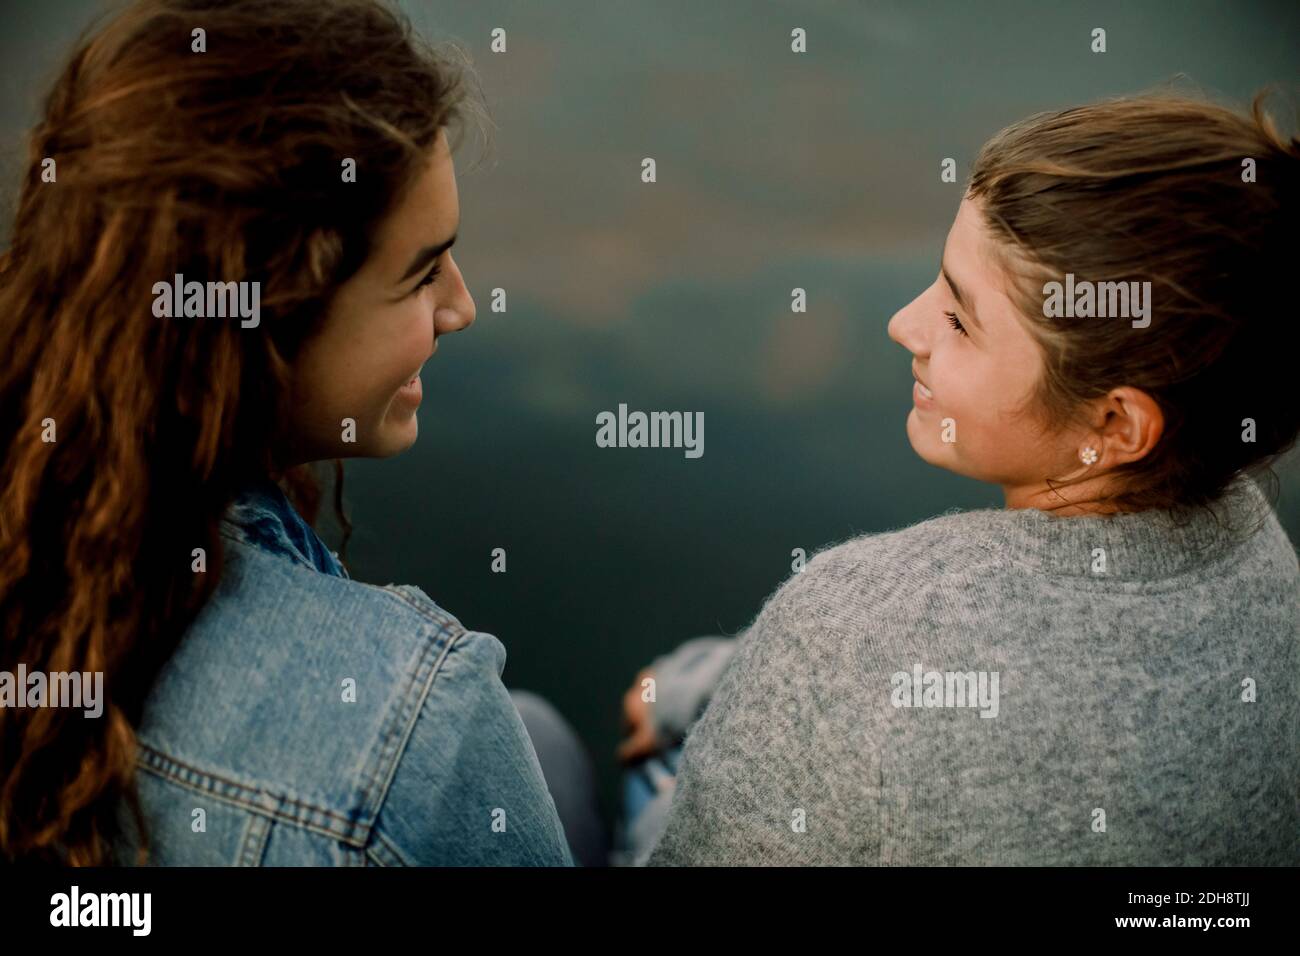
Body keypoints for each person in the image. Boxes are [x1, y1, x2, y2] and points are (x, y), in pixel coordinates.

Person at [625, 89, 1300, 865]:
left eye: (959, 318)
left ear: (1114, 426)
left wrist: (739, 682)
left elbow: (868, 661)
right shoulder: (1264, 556)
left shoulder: (852, 622)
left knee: (546, 735)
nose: (905, 324)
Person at [0, 0, 576, 866]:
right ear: (265, 320)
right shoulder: (422, 726)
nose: (460, 307)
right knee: (562, 746)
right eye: (421, 274)